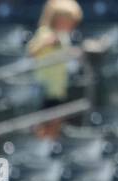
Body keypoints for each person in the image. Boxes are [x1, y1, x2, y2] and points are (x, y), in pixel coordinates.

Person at [28, 0, 82, 140]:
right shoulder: (45, 33)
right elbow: (32, 51)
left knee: (56, 122)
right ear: (59, 20)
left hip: (58, 88)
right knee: (42, 124)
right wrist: (46, 42)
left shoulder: (64, 37)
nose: (72, 26)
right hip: (45, 87)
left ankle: (50, 145)